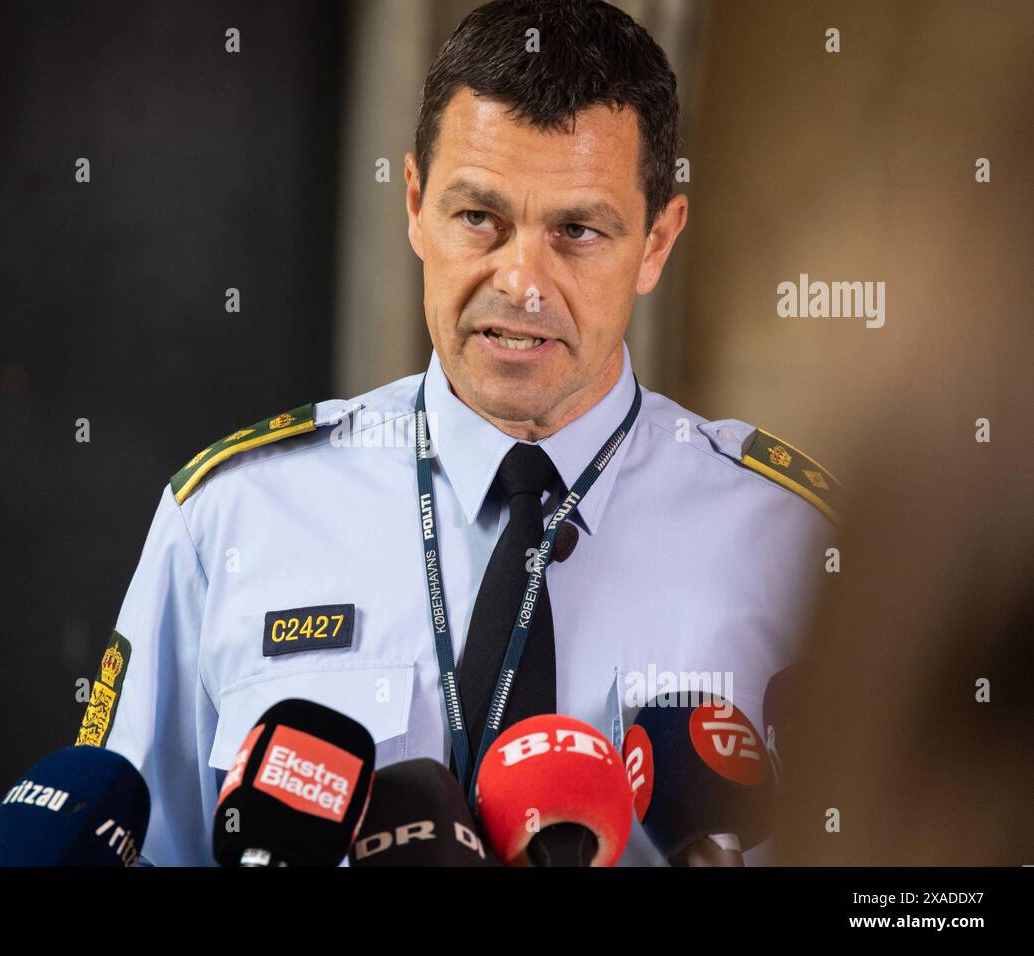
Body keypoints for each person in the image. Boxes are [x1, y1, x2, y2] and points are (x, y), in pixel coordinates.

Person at [76, 0, 839, 865]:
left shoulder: (801, 545)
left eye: (578, 231)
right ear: (413, 205)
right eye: (479, 217)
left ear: (658, 242)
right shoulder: (232, 519)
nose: (521, 282)